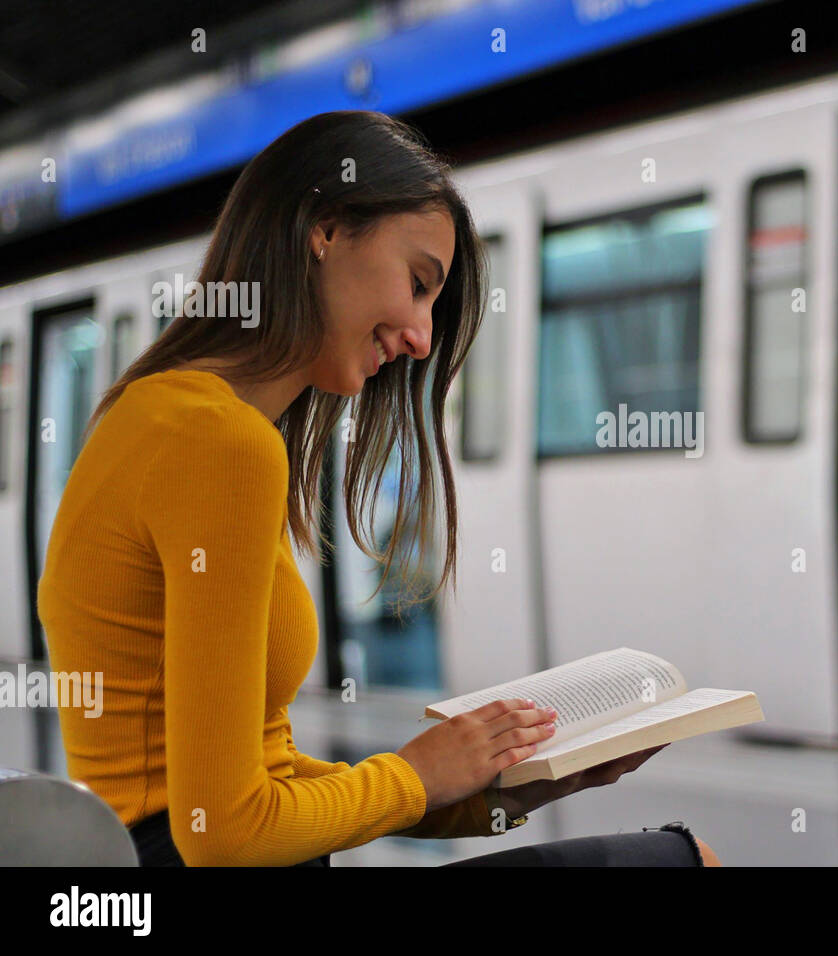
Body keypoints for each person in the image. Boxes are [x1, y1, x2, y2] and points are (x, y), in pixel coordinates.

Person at [37, 111, 718, 868]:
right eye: (419, 283)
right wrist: (415, 775)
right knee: (683, 861)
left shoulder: (161, 415)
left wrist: (501, 797)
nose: (422, 338)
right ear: (325, 230)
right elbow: (223, 830)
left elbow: (266, 783)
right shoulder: (219, 441)